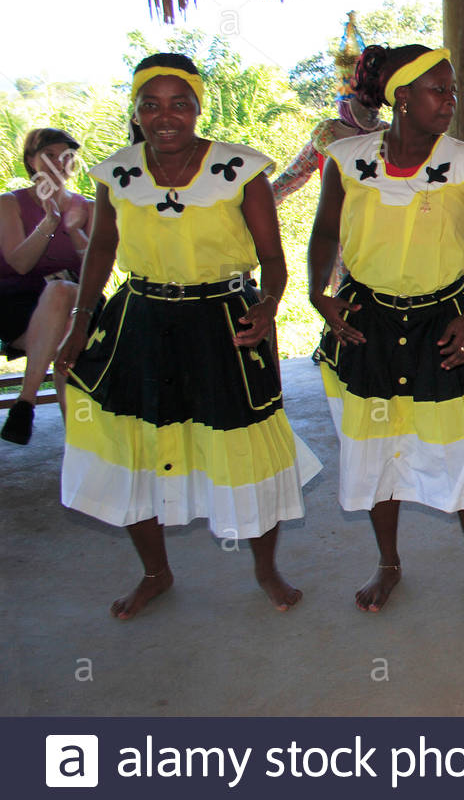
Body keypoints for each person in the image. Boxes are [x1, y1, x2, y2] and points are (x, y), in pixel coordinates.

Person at [54, 53, 319, 619]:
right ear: (137, 111)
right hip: (140, 318)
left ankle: (266, 567)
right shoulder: (117, 172)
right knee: (135, 441)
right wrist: (80, 321)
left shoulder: (239, 169)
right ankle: (156, 572)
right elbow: (102, 248)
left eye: (180, 104)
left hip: (224, 320)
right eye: (151, 104)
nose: (165, 116)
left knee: (244, 442)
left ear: (199, 108)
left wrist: (270, 304)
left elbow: (272, 257)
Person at [310, 43, 464, 613]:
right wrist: (318, 293)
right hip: (369, 322)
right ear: (402, 97)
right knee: (377, 449)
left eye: (453, 90)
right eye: (440, 90)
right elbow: (324, 234)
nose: (450, 101)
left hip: (448, 320)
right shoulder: (346, 159)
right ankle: (388, 564)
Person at [271, 14, 387, 292]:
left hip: (387, 226)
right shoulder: (327, 136)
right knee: (348, 298)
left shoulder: (390, 134)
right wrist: (254, 203)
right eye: (363, 101)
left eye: (374, 102)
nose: (370, 110)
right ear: (346, 100)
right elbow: (292, 177)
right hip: (340, 231)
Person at [1, 128, 92, 444]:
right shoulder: (9, 204)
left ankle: (25, 402)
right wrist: (50, 222)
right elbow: (20, 264)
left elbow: (97, 272)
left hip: (81, 303)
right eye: (49, 155)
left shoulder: (89, 207)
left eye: (65, 156)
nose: (58, 162)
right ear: (31, 161)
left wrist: (76, 231)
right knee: (70, 343)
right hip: (20, 306)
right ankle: (78, 449)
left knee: (64, 291)